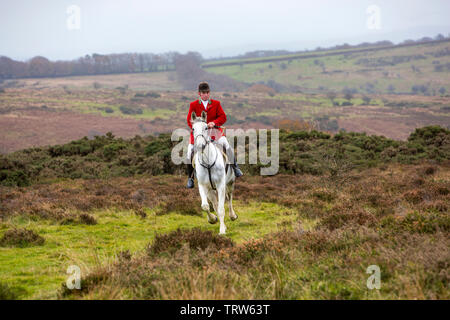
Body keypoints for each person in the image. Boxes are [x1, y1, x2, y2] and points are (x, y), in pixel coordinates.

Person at [186, 82, 243, 188]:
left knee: (226, 144)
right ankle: (190, 178)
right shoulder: (193, 105)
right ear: (199, 94)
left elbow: (223, 117)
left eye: (207, 92)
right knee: (189, 152)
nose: (205, 94)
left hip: (215, 133)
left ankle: (235, 167)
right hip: (199, 135)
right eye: (203, 93)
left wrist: (214, 123)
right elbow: (189, 120)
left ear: (209, 92)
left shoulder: (216, 103)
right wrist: (198, 127)